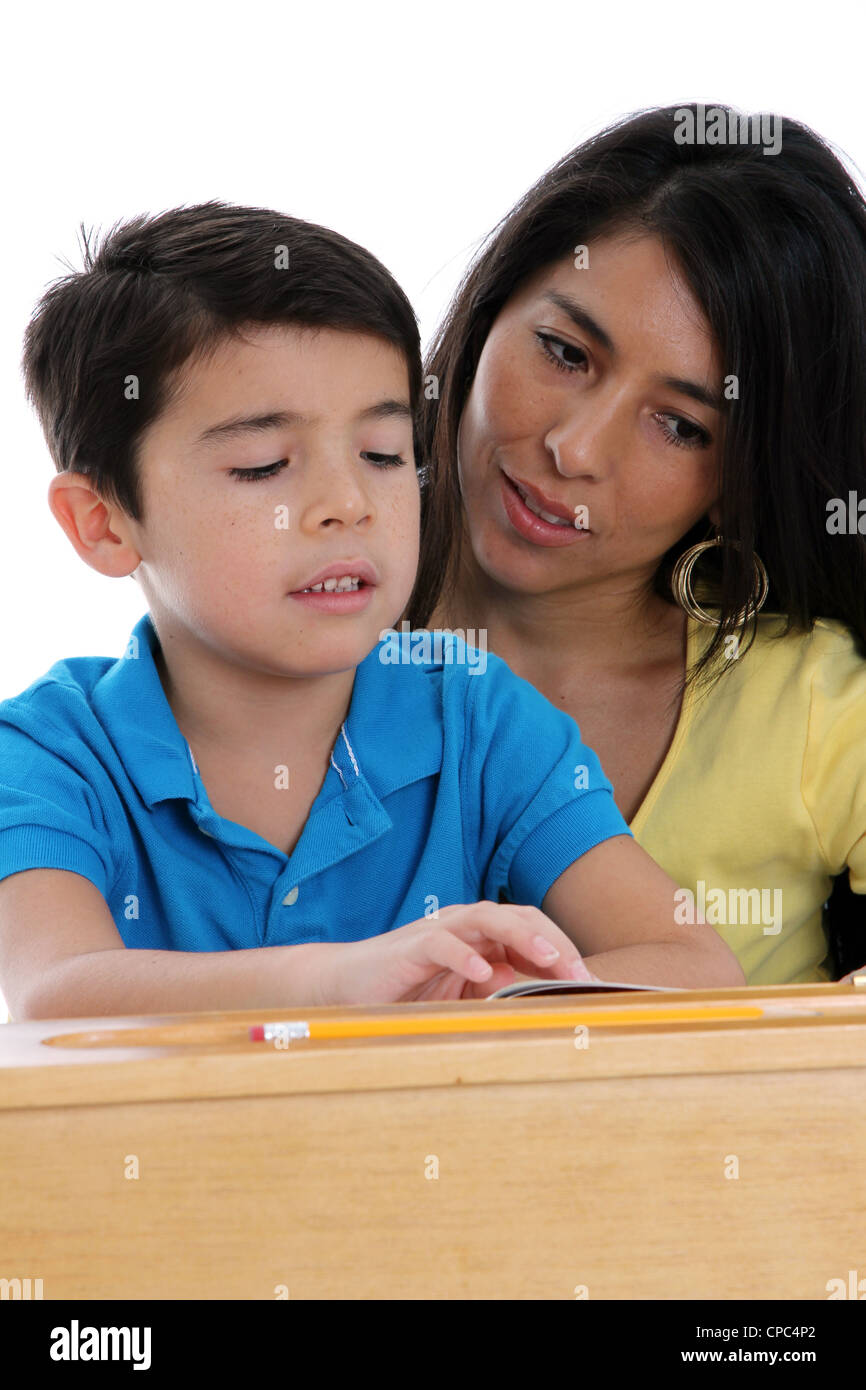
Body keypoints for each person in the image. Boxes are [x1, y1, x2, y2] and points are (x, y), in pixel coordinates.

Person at [0, 203, 744, 1021]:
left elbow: (694, 963)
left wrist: (497, 996)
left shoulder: (481, 720)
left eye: (384, 454)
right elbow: (53, 995)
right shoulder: (49, 754)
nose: (347, 504)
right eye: (264, 465)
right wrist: (341, 983)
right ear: (102, 522)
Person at [408, 103, 866, 986]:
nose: (575, 449)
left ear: (743, 481)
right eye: (564, 351)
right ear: (489, 311)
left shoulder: (809, 705)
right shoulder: (286, 646)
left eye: (681, 426)